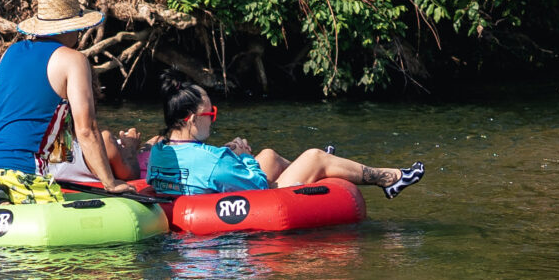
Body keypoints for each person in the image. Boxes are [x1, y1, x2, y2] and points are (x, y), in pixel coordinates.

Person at [0, 0, 135, 200]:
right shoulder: (74, 59)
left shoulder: (11, 52)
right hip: (20, 172)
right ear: (74, 26)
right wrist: (110, 183)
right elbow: (86, 129)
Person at [143, 84, 425, 199]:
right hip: (239, 205)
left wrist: (225, 153)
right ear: (192, 119)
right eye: (211, 114)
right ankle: (389, 179)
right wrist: (241, 156)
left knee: (270, 155)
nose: (213, 120)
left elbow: (199, 164)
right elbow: (256, 184)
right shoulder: (213, 161)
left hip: (197, 194)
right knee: (313, 156)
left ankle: (327, 166)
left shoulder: (159, 149)